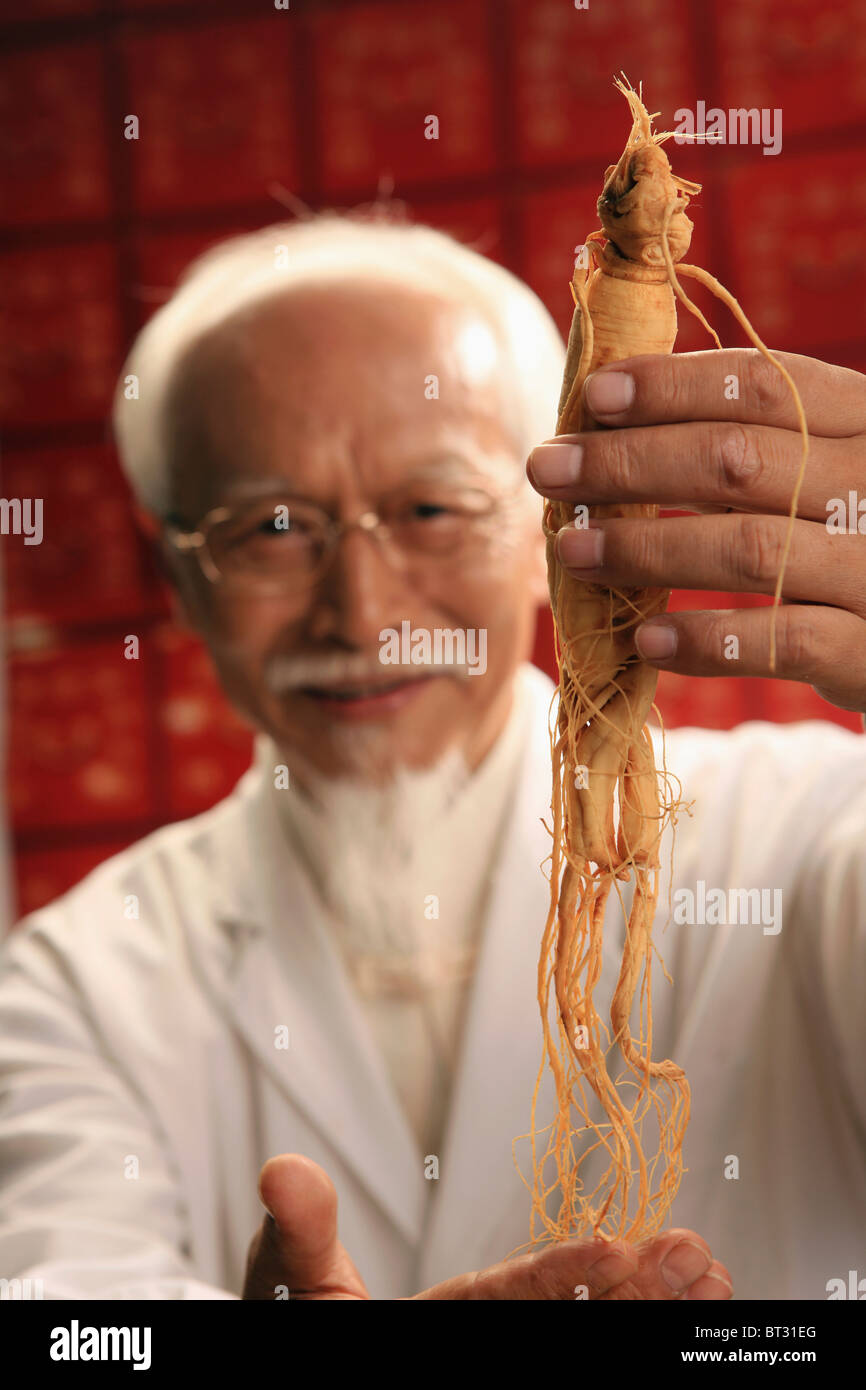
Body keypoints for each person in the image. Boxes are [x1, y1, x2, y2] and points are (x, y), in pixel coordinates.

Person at [1, 214, 864, 1302]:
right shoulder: (77, 985)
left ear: (545, 529)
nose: (362, 614)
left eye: (428, 508)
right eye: (269, 528)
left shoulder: (806, 831)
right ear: (177, 581)